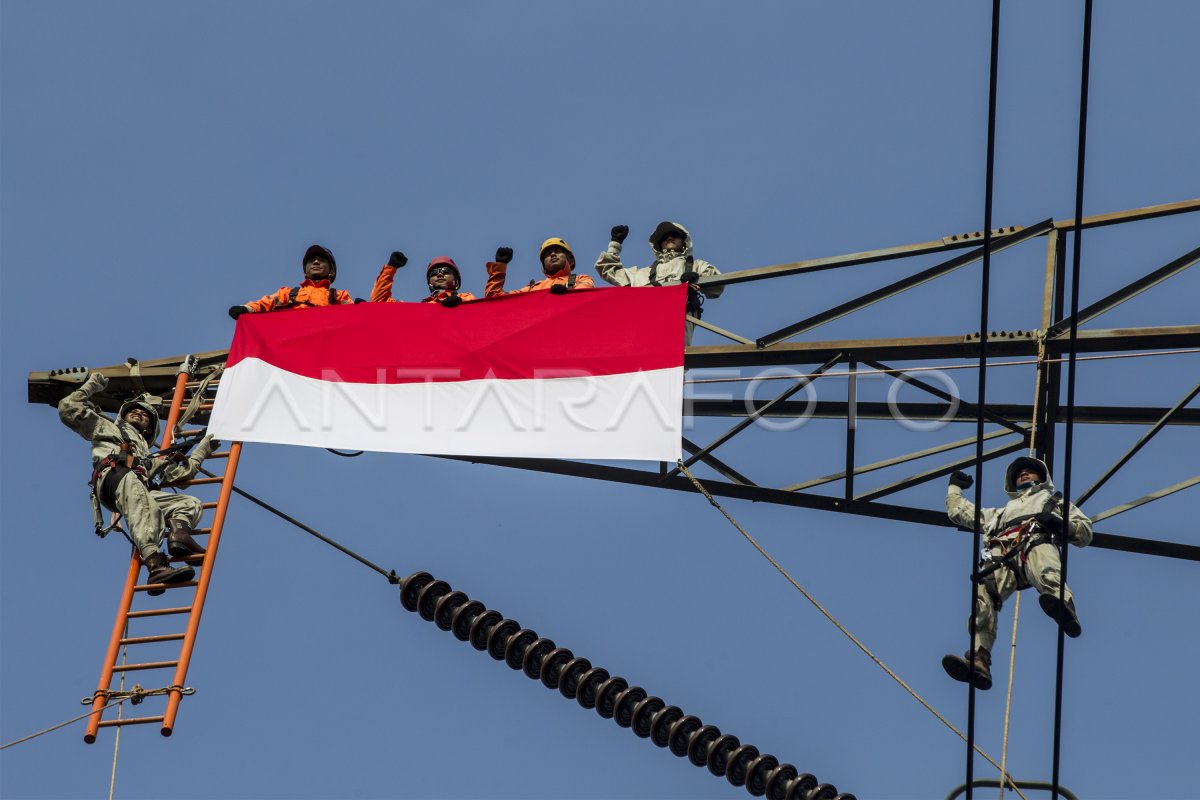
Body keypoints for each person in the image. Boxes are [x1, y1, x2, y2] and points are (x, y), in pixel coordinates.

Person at [59, 373, 219, 595]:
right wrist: (92, 385)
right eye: (134, 411)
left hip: (135, 484)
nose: (139, 413)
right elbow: (68, 408)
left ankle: (179, 537)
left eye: (145, 415)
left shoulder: (147, 458)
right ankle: (156, 565)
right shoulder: (107, 428)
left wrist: (202, 450)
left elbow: (182, 475)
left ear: (148, 430)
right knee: (145, 509)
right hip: (115, 477)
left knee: (188, 504)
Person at [941, 456, 1092, 690]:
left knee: (1045, 568)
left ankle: (1063, 606)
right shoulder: (1000, 514)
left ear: (1042, 477)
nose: (1023, 473)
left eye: (1030, 471)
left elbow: (1085, 531)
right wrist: (954, 488)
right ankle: (980, 658)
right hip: (999, 555)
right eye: (1019, 472)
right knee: (983, 597)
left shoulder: (1054, 501)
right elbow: (960, 512)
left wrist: (1061, 524)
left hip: (1035, 541)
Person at [594, 221, 724, 344]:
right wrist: (615, 244)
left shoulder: (696, 266)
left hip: (679, 324)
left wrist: (697, 278)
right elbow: (610, 271)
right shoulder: (644, 274)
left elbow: (717, 286)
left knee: (675, 356)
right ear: (659, 245)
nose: (669, 238)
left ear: (684, 242)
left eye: (674, 235)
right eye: (664, 237)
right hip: (647, 328)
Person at [228, 244, 352, 318]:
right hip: (294, 344)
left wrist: (360, 307)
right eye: (311, 260)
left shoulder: (339, 296)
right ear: (305, 271)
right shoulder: (289, 293)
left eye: (321, 260)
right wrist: (246, 309)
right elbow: (266, 303)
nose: (315, 262)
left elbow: (354, 315)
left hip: (324, 344)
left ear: (332, 271)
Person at [484, 239, 596, 297]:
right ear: (543, 265)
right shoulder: (531, 288)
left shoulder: (579, 279)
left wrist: (566, 292)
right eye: (548, 254)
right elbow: (495, 297)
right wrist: (500, 265)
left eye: (557, 251)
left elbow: (585, 293)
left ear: (570, 260)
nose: (553, 254)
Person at [369, 251, 477, 307]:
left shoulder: (465, 297)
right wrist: (391, 268)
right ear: (429, 282)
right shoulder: (419, 310)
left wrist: (459, 304)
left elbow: (477, 310)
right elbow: (379, 302)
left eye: (445, 272)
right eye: (434, 273)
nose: (440, 275)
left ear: (456, 281)